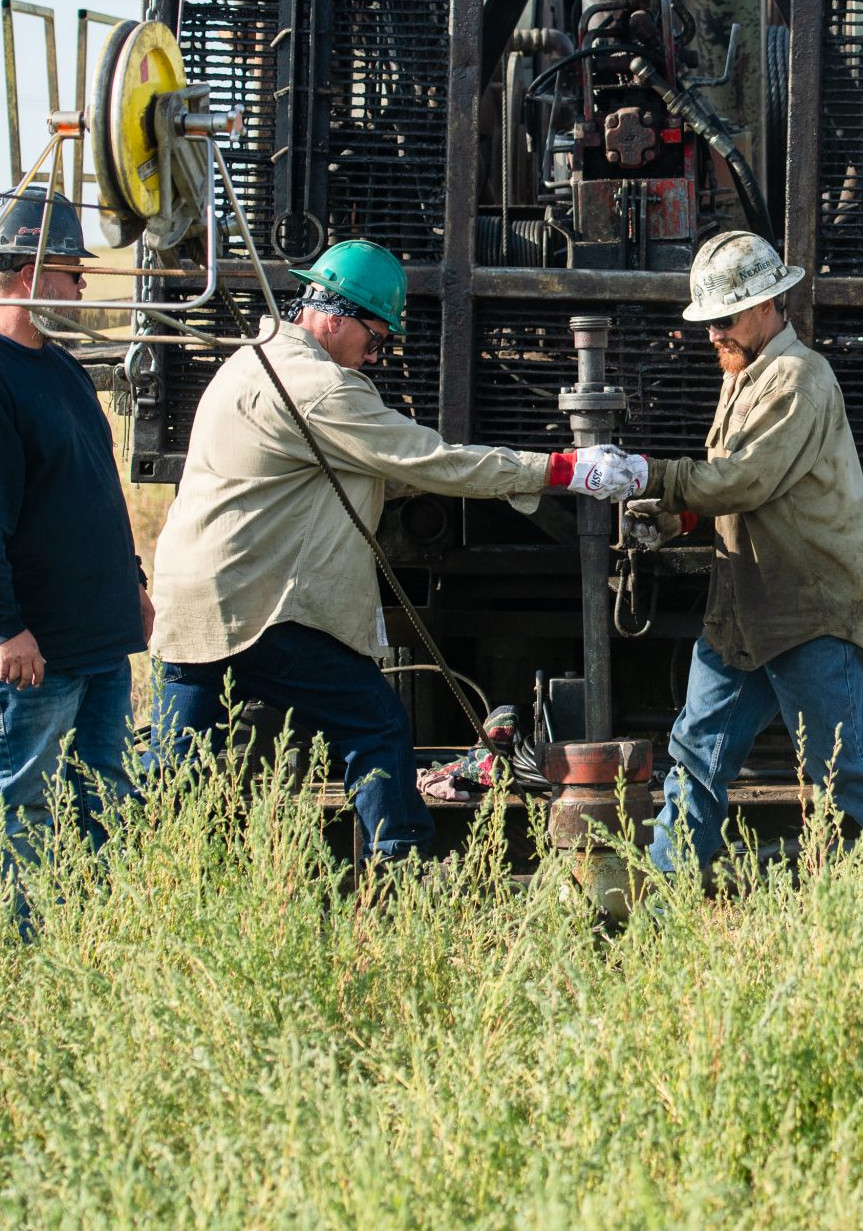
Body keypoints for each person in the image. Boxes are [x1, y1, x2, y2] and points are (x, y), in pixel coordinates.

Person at [147, 238, 646, 859]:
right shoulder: (320, 388)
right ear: (335, 314)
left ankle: (136, 864)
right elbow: (426, 458)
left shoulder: (255, 360)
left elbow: (375, 464)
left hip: (197, 597)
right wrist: (561, 469)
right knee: (373, 725)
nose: (377, 356)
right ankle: (402, 868)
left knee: (177, 758)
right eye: (376, 337)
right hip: (257, 606)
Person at [633, 230, 863, 875]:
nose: (713, 334)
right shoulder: (748, 372)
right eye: (707, 321)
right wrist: (679, 512)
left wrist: (646, 476)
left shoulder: (799, 377)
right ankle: (661, 898)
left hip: (807, 609)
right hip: (746, 608)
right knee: (695, 757)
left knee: (844, 772)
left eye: (725, 319)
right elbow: (740, 484)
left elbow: (745, 479)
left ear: (769, 304)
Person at [0, 190, 151, 902]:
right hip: (23, 654)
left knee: (102, 801)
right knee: (18, 807)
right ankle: (7, 956)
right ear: (29, 272)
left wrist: (130, 584)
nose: (82, 287)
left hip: (91, 642)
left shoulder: (59, 365)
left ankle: (86, 946)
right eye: (72, 271)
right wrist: (4, 629)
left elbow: (92, 489)